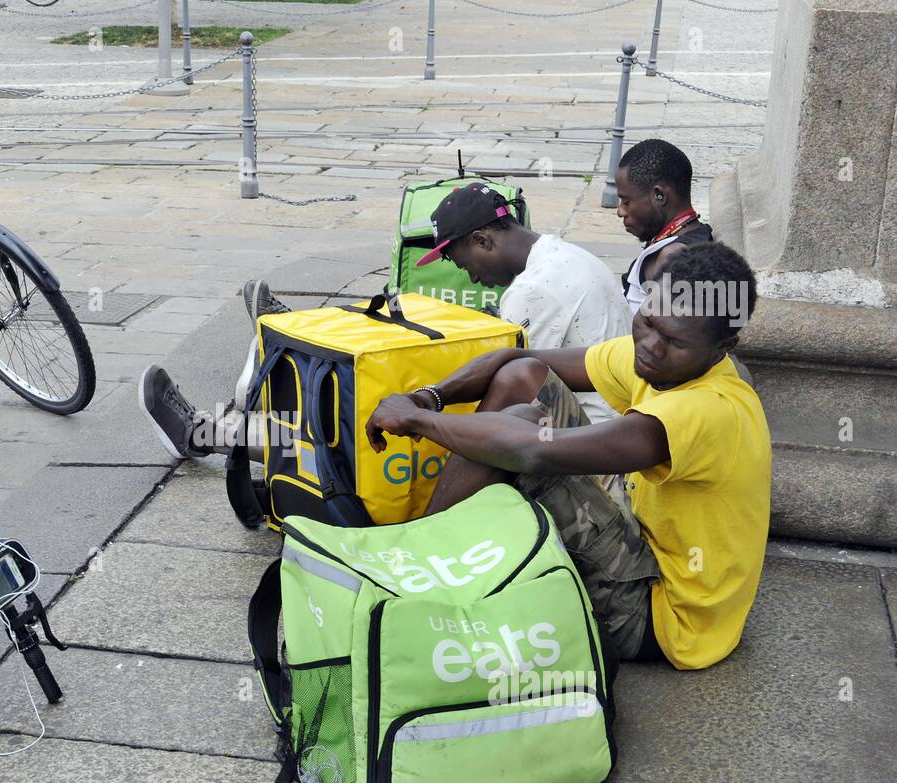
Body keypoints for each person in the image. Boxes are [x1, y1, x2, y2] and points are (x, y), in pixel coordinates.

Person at [364, 241, 769, 671]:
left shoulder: (707, 409)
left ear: (723, 347)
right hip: (640, 526)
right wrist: (430, 398)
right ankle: (434, 554)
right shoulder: (662, 360)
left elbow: (531, 451)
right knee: (523, 380)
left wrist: (415, 421)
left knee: (512, 434)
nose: (649, 345)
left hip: (659, 615)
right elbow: (516, 358)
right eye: (647, 320)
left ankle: (410, 583)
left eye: (672, 340)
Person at [140, 182, 633, 458]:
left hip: (574, 446)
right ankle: (297, 350)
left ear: (483, 239)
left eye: (460, 260)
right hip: (578, 426)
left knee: (342, 433)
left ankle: (209, 433)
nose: (466, 272)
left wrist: (417, 398)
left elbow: (504, 383)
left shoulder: (534, 290)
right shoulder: (563, 256)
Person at [614, 139, 715, 315]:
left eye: (626, 201)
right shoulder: (692, 233)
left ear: (659, 196)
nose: (620, 211)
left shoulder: (672, 258)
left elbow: (658, 336)